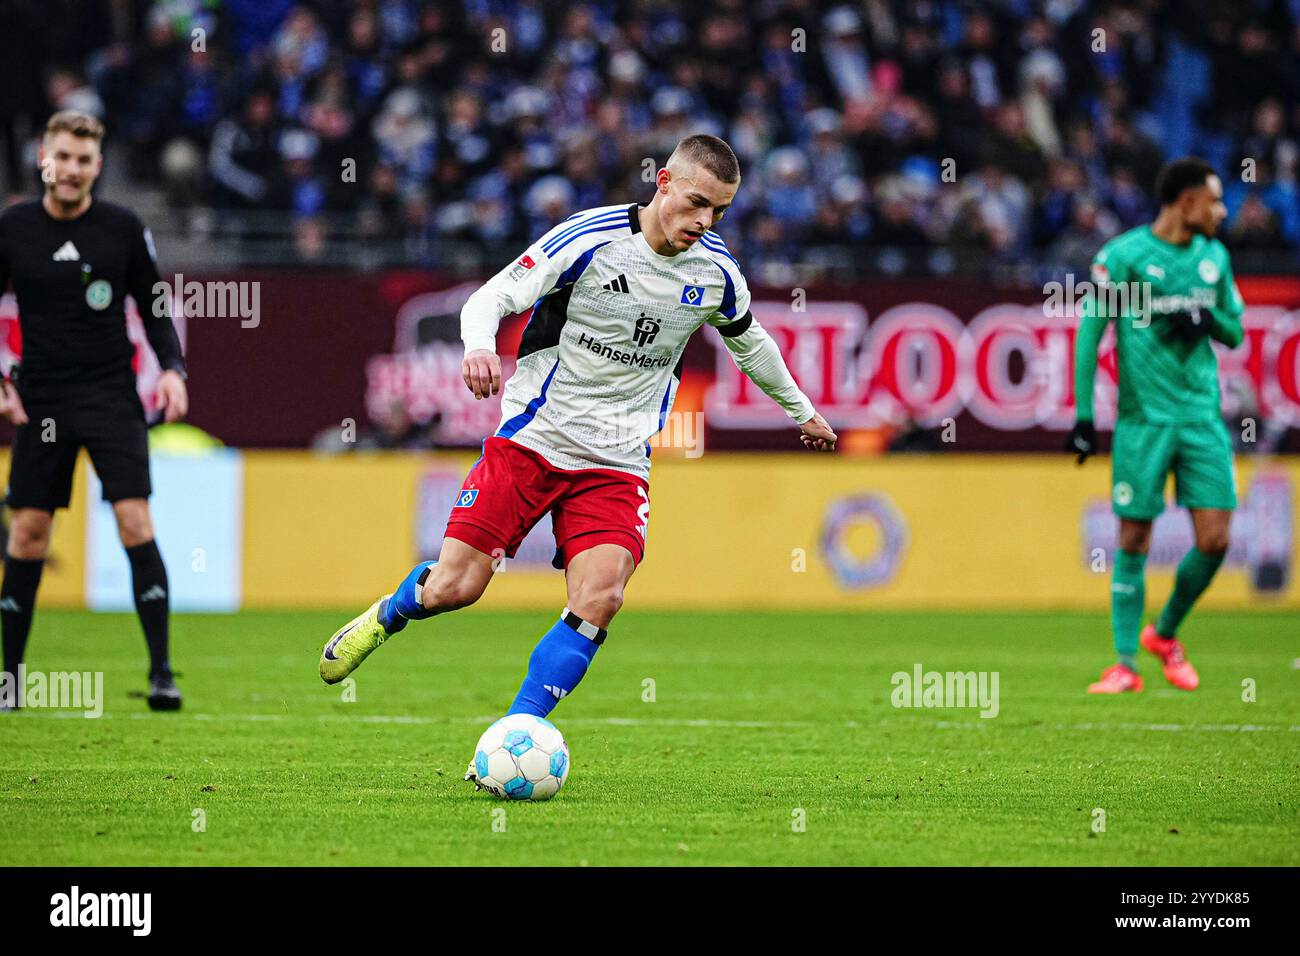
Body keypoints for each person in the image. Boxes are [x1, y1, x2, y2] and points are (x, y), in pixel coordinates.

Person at [318, 134, 836, 785]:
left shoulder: (716, 273)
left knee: (602, 596)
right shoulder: (588, 239)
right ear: (666, 183)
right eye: (699, 203)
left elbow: (749, 341)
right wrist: (479, 345)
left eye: (721, 212)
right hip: (532, 442)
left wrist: (801, 410)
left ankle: (515, 732)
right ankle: (389, 614)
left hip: (617, 463)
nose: (705, 222)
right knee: (456, 588)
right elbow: (490, 298)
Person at [0, 110, 189, 710]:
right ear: (43, 159)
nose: (73, 169)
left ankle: (162, 674)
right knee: (29, 532)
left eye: (84, 160)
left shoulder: (123, 228)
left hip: (111, 394)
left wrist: (173, 371)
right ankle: (10, 681)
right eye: (63, 156)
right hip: (42, 399)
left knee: (135, 520)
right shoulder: (13, 228)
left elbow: (155, 307)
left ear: (98, 167)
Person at [1067, 158, 1243, 694]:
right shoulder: (1124, 257)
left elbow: (1233, 330)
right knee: (1134, 536)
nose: (1222, 211)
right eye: (1214, 200)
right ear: (1185, 200)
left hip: (1201, 418)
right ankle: (1125, 663)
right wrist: (1081, 417)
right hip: (1143, 421)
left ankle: (1163, 634)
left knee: (1214, 540)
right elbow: (1089, 332)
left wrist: (1205, 319)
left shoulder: (1215, 258)